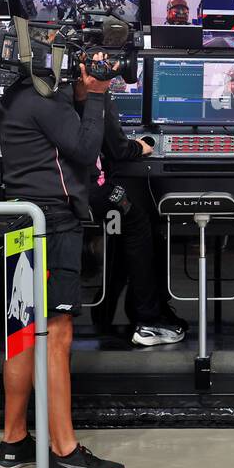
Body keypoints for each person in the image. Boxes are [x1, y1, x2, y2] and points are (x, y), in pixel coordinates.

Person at [0, 52, 126, 468]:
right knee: (57, 333)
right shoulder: (44, 100)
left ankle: (13, 442)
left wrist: (83, 95)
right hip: (51, 224)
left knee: (23, 334)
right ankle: (64, 450)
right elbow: (87, 149)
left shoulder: (15, 97)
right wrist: (100, 96)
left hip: (22, 218)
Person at [71, 72, 186, 346]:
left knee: (126, 228)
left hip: (60, 192)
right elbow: (118, 149)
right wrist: (141, 147)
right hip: (91, 191)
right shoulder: (96, 95)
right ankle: (147, 320)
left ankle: (108, 313)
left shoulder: (52, 96)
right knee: (138, 223)